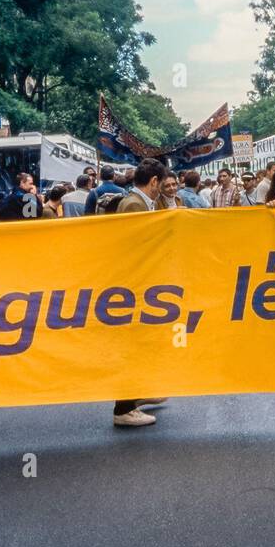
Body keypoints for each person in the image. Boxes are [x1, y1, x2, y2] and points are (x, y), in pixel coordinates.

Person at [111, 158, 171, 427]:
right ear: (154, 181)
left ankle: (138, 393)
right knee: (133, 347)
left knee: (144, 344)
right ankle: (123, 409)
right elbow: (134, 248)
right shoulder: (134, 205)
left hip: (140, 284)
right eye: (162, 183)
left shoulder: (141, 202)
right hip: (134, 285)